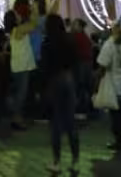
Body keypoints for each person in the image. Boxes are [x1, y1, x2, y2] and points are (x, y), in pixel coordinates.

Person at [40, 13, 79, 173]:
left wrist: (42, 88)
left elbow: (45, 67)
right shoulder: (68, 40)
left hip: (54, 82)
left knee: (55, 123)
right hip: (68, 79)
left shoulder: (47, 43)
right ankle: (75, 161)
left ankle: (57, 162)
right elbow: (74, 61)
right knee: (70, 122)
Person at [97, 19, 121, 150]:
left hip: (115, 87)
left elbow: (102, 64)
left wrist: (97, 81)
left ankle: (120, 141)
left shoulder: (109, 45)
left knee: (116, 116)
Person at [8, 0, 41, 130]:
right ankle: (17, 119)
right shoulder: (19, 29)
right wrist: (35, 9)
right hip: (21, 67)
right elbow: (33, 24)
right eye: (16, 15)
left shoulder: (16, 30)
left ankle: (17, 117)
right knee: (21, 94)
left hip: (19, 66)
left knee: (20, 93)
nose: (19, 15)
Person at [72, 19, 94, 116]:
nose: (73, 26)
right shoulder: (85, 36)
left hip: (81, 63)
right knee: (86, 86)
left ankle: (82, 108)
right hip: (87, 62)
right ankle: (88, 107)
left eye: (75, 24)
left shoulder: (77, 36)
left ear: (80, 26)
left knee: (80, 85)